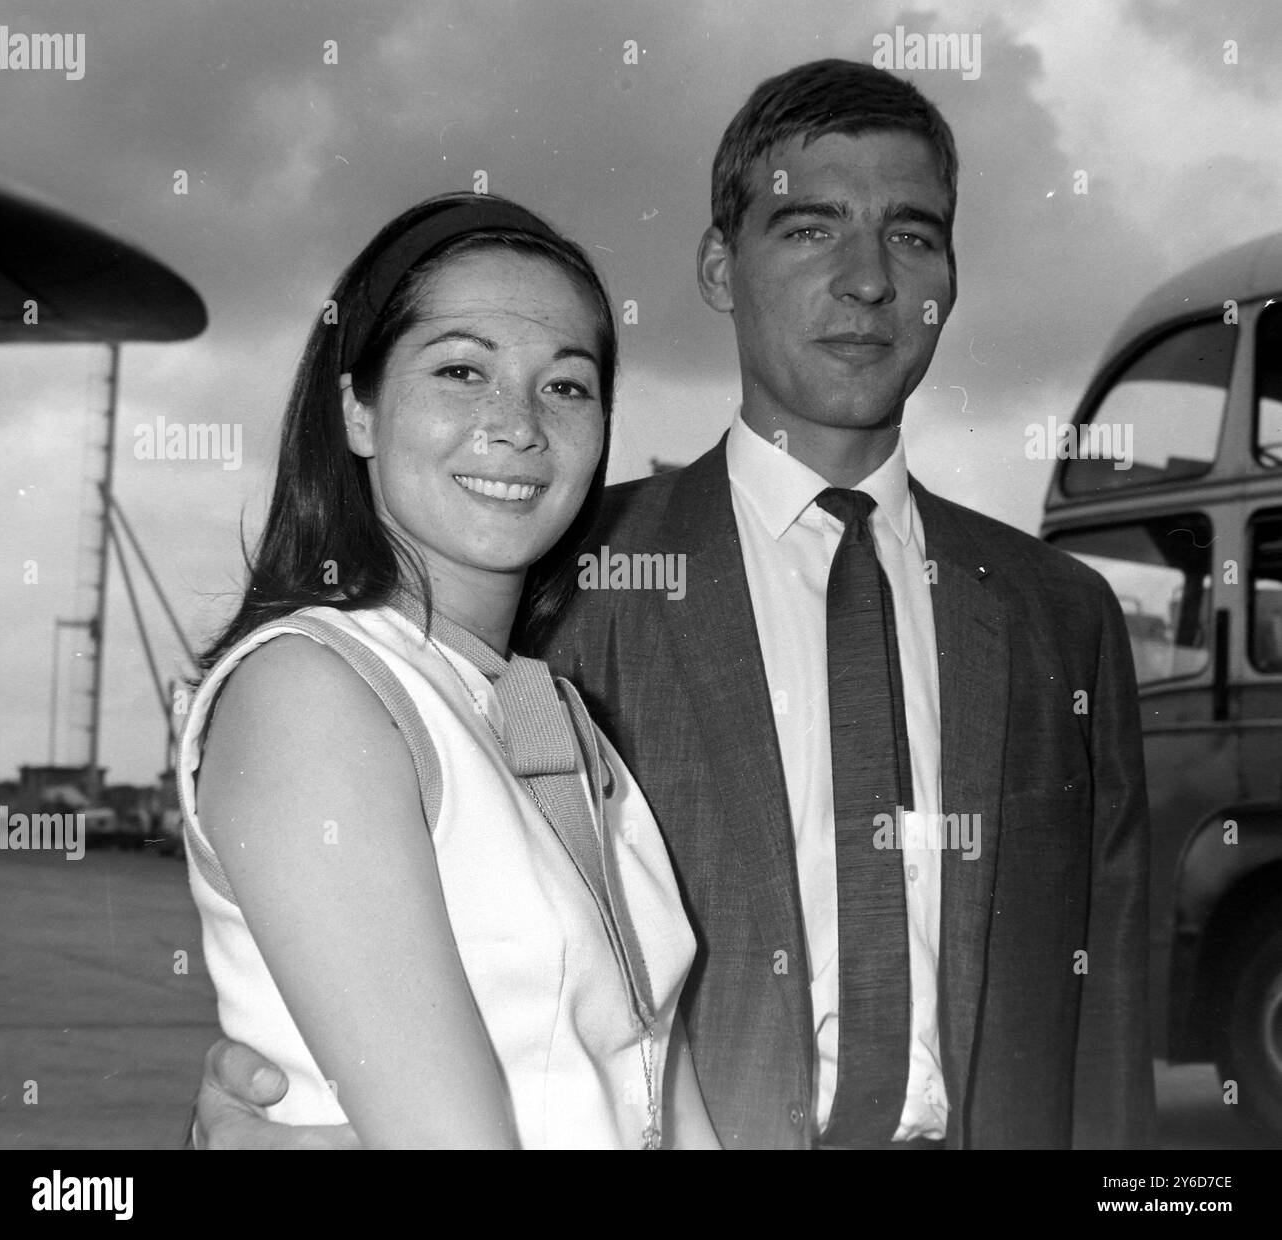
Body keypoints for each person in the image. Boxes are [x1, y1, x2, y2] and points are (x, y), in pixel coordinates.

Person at [195, 60, 1155, 1150]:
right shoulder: (549, 580)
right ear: (717, 265)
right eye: (807, 227)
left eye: (912, 234)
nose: (867, 279)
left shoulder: (1060, 614)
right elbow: (346, 967)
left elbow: (1108, 1007)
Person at [178, 190, 719, 1149]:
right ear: (358, 408)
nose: (517, 424)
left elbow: (653, 1097)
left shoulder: (541, 705)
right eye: (462, 370)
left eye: (566, 385)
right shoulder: (313, 691)